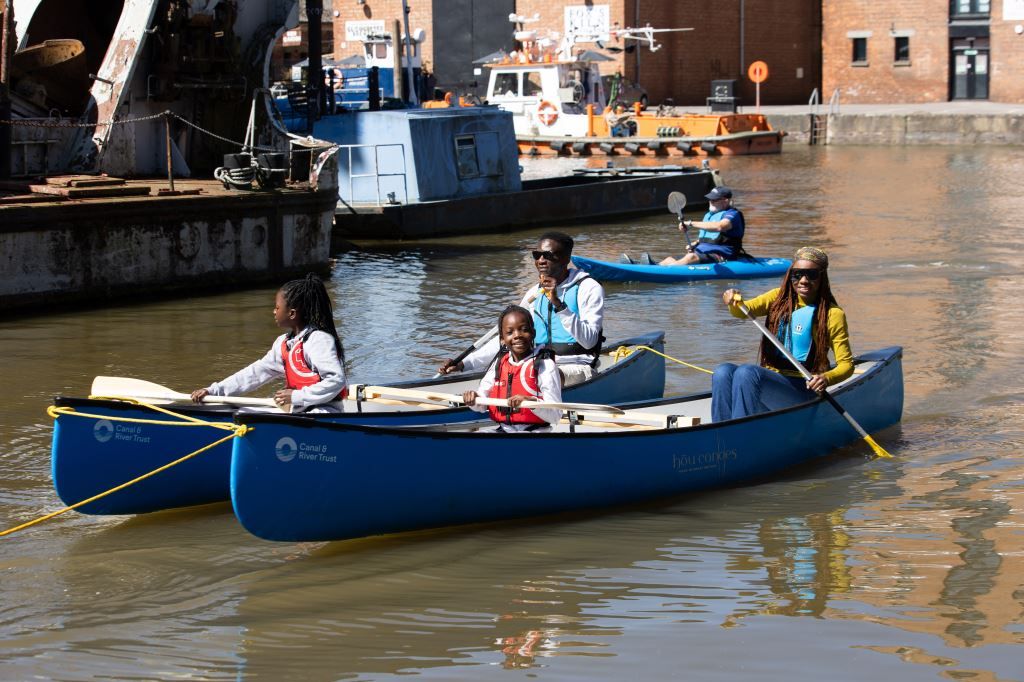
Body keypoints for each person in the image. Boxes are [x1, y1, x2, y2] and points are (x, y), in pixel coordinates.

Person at [438, 231, 605, 386]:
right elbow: (507, 339)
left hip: (576, 366)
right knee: (501, 369)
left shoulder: (588, 288)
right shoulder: (534, 294)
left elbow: (589, 340)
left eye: (547, 255)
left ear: (565, 258)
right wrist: (464, 364)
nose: (540, 260)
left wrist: (558, 304)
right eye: (537, 255)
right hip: (538, 366)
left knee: (542, 375)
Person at [711, 246, 853, 422]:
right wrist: (733, 300)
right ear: (790, 275)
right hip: (773, 382)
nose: (803, 280)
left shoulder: (832, 314)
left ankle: (740, 433)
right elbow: (742, 311)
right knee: (723, 371)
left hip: (804, 389)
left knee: (746, 373)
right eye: (797, 274)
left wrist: (825, 378)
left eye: (812, 274)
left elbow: (846, 365)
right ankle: (721, 431)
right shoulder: (775, 299)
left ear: (822, 277)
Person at [191, 273, 347, 413]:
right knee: (241, 413)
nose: (274, 311)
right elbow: (255, 373)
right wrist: (213, 391)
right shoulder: (284, 343)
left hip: (324, 410)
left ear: (292, 313)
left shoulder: (318, 339)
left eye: (277, 307)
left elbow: (336, 380)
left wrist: (297, 396)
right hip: (298, 409)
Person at [462, 305, 562, 432]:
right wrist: (473, 400)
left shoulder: (545, 365)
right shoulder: (499, 363)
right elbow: (481, 405)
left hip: (535, 433)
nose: (517, 335)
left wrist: (530, 402)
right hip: (504, 430)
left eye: (524, 329)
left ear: (533, 333)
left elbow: (555, 416)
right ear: (502, 339)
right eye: (510, 332)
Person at [659, 186, 746, 265]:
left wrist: (690, 223)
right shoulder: (709, 215)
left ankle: (666, 272)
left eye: (714, 200)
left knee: (691, 257)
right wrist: (696, 244)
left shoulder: (733, 214)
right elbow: (712, 238)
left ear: (725, 201)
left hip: (722, 255)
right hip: (703, 253)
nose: (711, 202)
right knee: (669, 259)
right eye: (710, 199)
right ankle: (653, 268)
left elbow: (720, 226)